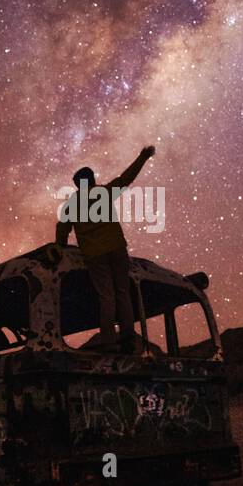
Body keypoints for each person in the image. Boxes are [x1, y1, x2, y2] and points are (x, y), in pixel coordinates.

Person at [55, 145, 155, 353]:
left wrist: (61, 247)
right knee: (123, 293)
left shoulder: (71, 205)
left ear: (76, 185)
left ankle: (109, 342)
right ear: (91, 179)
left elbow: (62, 231)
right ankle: (127, 336)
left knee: (106, 296)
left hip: (94, 255)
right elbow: (127, 178)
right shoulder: (104, 192)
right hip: (117, 248)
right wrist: (142, 157)